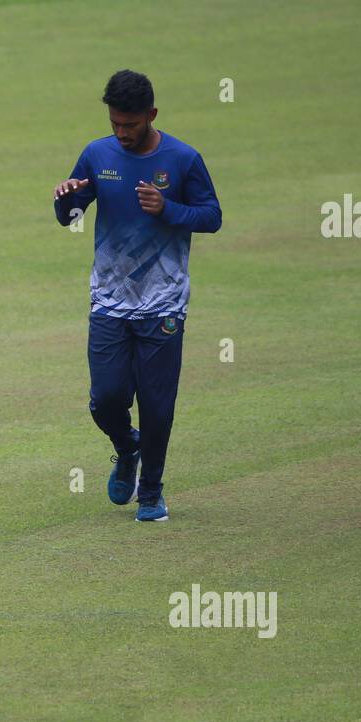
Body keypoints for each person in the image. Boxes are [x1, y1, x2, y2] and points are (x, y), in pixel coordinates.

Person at [53, 70, 222, 522]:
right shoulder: (97, 154)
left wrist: (168, 209)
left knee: (156, 402)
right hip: (109, 299)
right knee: (107, 397)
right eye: (115, 124)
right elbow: (71, 213)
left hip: (164, 303)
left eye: (130, 124)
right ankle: (127, 448)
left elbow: (212, 217)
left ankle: (150, 493)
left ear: (151, 115)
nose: (121, 134)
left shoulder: (183, 159)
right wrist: (65, 199)